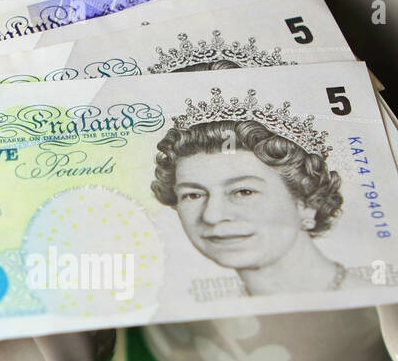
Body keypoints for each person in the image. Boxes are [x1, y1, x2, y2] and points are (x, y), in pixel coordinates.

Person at [150, 117, 369, 295]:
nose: (212, 216)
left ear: (307, 202)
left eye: (244, 191)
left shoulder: (367, 298)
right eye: (194, 195)